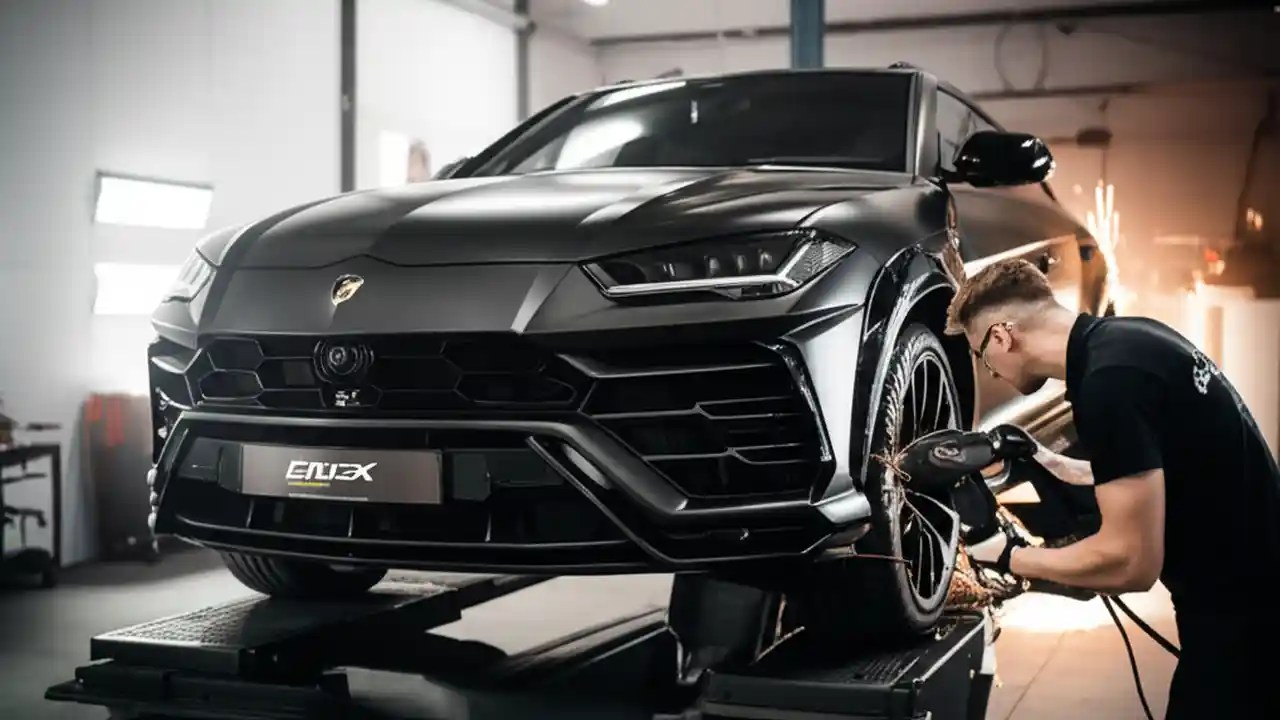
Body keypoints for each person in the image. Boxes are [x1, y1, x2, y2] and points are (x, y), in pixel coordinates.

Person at [945, 257, 1280, 718]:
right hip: (1253, 591)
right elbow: (1154, 468)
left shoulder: (1107, 387)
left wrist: (1008, 557)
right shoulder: (1129, 342)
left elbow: (1132, 564)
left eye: (981, 354)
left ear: (1003, 335)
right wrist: (1047, 461)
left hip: (1243, 622)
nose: (990, 371)